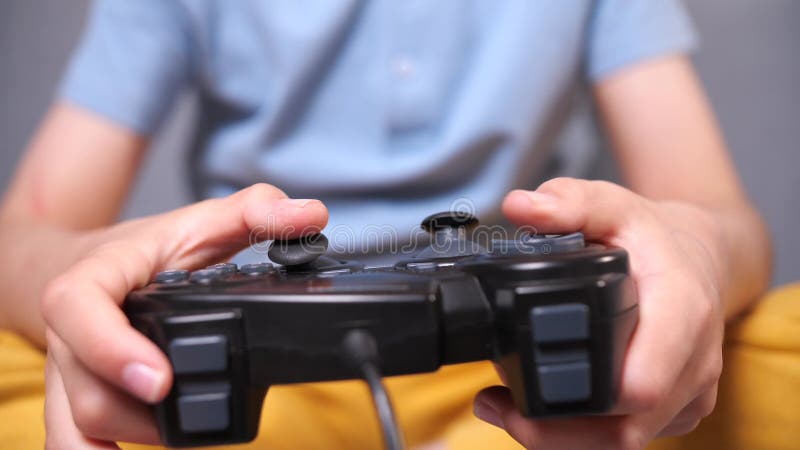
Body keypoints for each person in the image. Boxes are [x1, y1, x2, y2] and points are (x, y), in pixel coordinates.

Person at [0, 0, 772, 449]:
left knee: (773, 344)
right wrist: (106, 281)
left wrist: (695, 252)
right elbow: (18, 241)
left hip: (495, 368)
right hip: (254, 367)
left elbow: (721, 217)